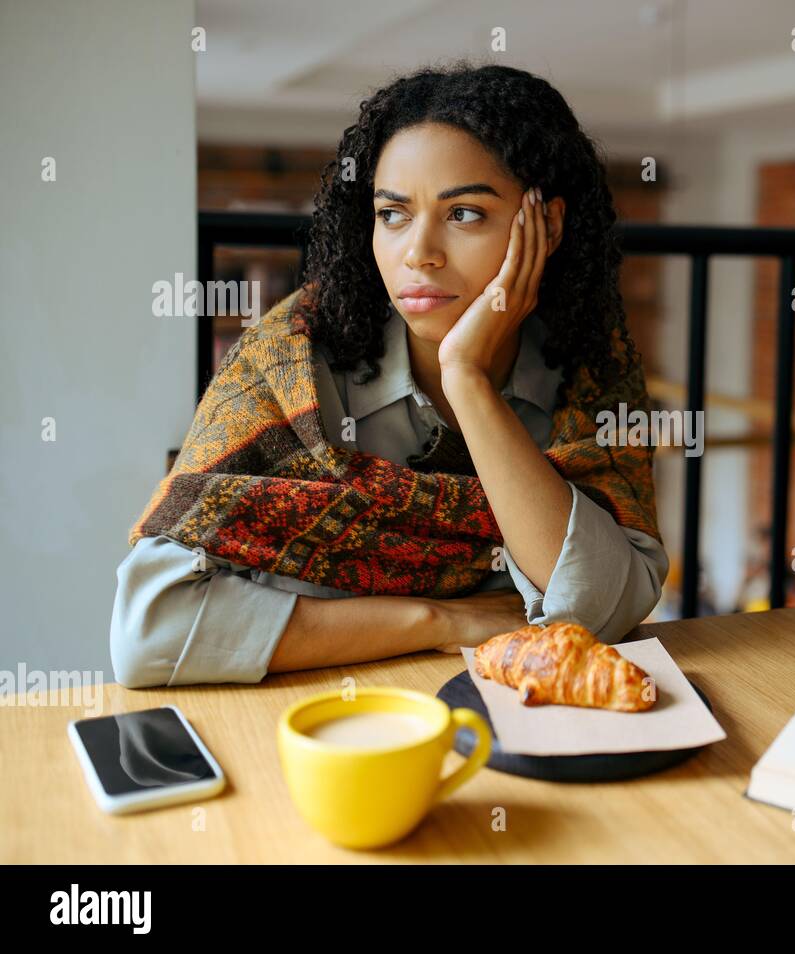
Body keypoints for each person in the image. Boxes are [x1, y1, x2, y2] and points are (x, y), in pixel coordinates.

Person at [110, 61, 668, 688]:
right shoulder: (287, 363)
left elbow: (603, 612)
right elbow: (149, 634)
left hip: (501, 717)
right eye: (393, 214)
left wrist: (467, 380)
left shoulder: (590, 370)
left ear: (547, 226)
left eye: (464, 215)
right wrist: (438, 620)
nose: (419, 253)